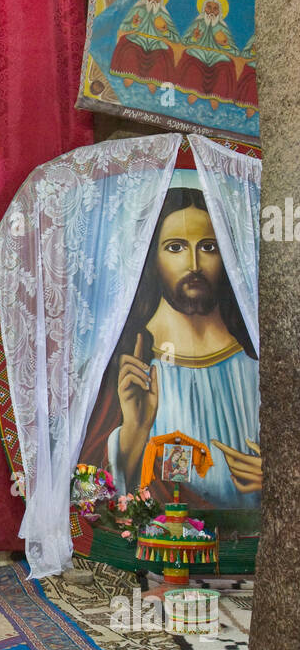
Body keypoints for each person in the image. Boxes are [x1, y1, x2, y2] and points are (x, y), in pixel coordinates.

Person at [105, 188, 260, 507]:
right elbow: (95, 499)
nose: (194, 264)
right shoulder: (126, 367)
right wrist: (134, 430)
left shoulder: (257, 364)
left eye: (208, 247)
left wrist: (281, 477)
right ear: (152, 258)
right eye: (175, 247)